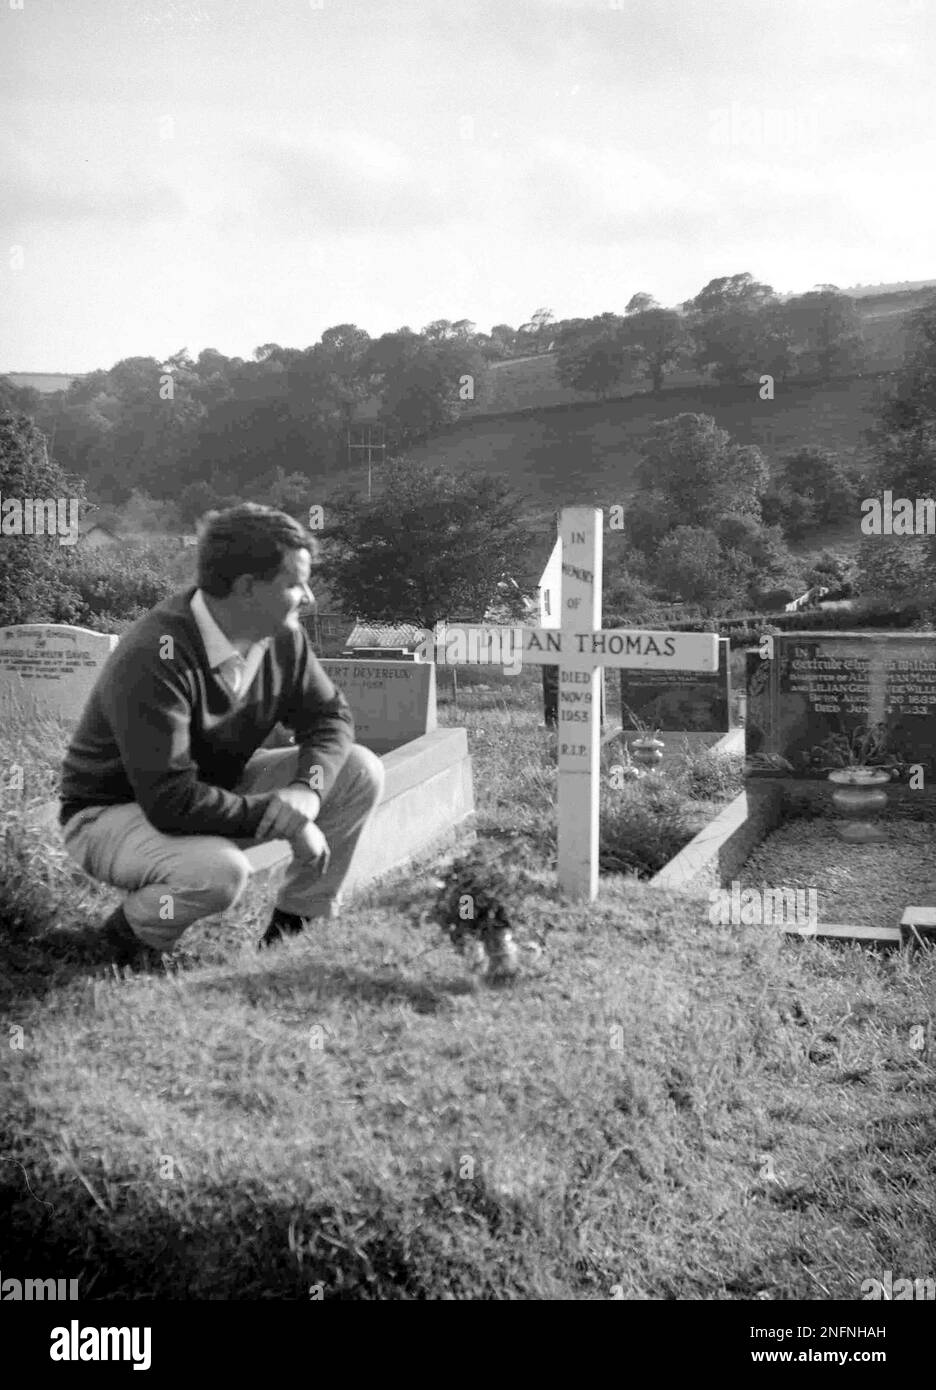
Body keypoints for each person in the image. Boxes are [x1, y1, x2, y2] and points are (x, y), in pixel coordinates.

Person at [58, 503, 384, 965]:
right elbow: (169, 800)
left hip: (210, 791)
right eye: (294, 583)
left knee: (359, 770)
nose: (308, 597)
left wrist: (306, 793)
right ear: (248, 588)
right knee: (217, 873)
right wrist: (282, 818)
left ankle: (293, 933)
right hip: (112, 813)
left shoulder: (281, 637)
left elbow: (329, 717)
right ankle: (125, 941)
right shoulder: (156, 654)